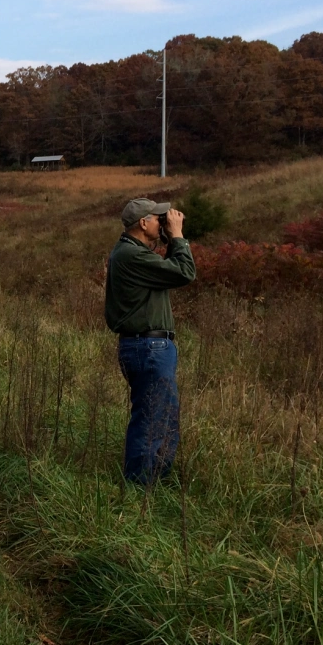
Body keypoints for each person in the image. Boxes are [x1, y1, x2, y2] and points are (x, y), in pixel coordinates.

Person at [104, 198, 196, 485]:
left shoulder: (132, 253)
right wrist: (178, 235)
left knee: (157, 415)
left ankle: (150, 482)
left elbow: (168, 266)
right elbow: (184, 272)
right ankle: (140, 488)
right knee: (153, 418)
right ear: (143, 223)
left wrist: (168, 237)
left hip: (146, 347)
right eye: (157, 218)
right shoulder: (132, 256)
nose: (163, 221)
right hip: (149, 348)